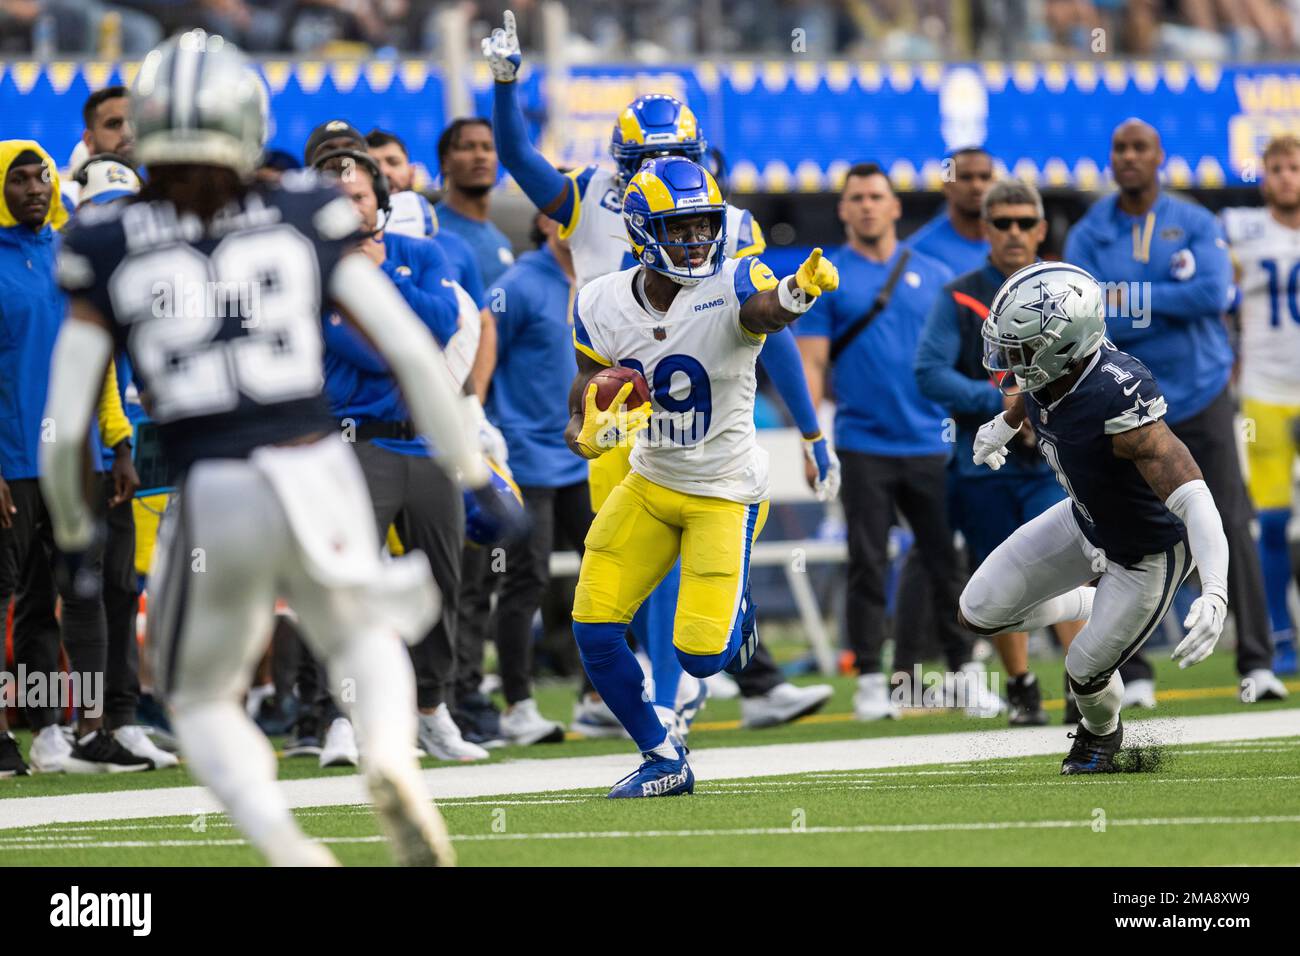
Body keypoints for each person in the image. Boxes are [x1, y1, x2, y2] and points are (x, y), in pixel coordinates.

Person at [44, 31, 520, 865]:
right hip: (319, 464)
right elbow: (411, 353)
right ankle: (388, 760)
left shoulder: (106, 236)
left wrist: (74, 534)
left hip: (216, 486)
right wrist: (476, 476)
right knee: (367, 637)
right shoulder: (303, 209)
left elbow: (65, 412)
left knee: (197, 700)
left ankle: (290, 849)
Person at [485, 9, 836, 735]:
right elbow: (518, 159)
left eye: (676, 154)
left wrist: (809, 427)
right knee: (613, 572)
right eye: (646, 160)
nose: (661, 173)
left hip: (714, 418)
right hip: (628, 413)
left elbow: (765, 325)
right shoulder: (591, 203)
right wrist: (504, 84)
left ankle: (682, 691)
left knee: (691, 572)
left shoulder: (726, 222)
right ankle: (623, 698)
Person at [563, 156, 839, 797]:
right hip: (650, 480)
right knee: (594, 628)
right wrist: (589, 428)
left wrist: (798, 293)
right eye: (679, 228)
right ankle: (663, 759)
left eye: (703, 226)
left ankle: (738, 622)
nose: (695, 240)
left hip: (723, 493)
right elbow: (583, 390)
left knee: (701, 657)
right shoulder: (600, 300)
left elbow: (764, 312)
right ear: (640, 231)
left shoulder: (735, 277)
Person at [964, 261, 1231, 773]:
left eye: (1020, 350)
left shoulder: (1117, 397)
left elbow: (1197, 498)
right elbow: (1035, 390)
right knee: (978, 612)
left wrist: (1215, 592)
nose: (1009, 363)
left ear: (1062, 345)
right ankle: (1088, 601)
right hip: (1084, 519)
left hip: (1145, 554)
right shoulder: (1052, 370)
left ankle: (1101, 738)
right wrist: (1004, 422)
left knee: (1083, 670)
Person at [1065, 118, 1285, 705]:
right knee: (1111, 531)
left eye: (1140, 148)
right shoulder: (1090, 231)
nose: (1129, 157)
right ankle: (1130, 673)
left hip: (1200, 391)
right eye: (1120, 148)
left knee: (1232, 520)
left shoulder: (1195, 220)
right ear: (1111, 159)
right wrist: (1163, 298)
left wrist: (1127, 297)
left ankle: (1257, 662)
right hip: (1124, 404)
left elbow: (1213, 296)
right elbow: (1080, 311)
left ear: (1160, 156)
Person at [312, 146, 498, 763]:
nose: (349, 206)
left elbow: (442, 324)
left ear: (380, 203)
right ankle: (346, 715)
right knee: (349, 583)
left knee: (441, 580)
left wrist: (379, 282)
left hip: (425, 439)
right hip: (354, 442)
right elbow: (372, 350)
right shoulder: (314, 269)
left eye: (359, 196)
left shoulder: (421, 253)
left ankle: (430, 709)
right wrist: (395, 323)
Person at [797, 162, 996, 722]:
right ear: (843, 209)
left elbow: (963, 360)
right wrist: (812, 441)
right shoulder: (826, 277)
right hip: (863, 442)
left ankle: (964, 672)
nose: (865, 205)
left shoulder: (933, 274)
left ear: (893, 207)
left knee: (945, 563)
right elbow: (811, 365)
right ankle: (867, 679)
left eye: (875, 196)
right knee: (866, 561)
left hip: (932, 441)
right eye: (855, 197)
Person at [0, 139, 150, 776]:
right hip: (11, 460)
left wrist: (118, 443)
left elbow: (102, 361)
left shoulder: (71, 254)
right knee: (11, 602)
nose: (36, 188)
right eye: (19, 180)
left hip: (78, 458)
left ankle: (81, 732)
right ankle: (15, 733)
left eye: (43, 177)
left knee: (79, 598)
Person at [915, 178, 1087, 725]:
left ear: (1040, 228)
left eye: (1023, 222)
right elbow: (929, 372)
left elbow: (1092, 359)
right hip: (983, 463)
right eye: (1002, 222)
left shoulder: (1067, 291)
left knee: (1067, 567)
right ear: (984, 228)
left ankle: (1083, 676)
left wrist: (1051, 410)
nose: (1014, 232)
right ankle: (1021, 684)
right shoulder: (961, 293)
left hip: (1052, 461)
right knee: (1002, 574)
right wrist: (1004, 403)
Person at [461, 209, 586, 746]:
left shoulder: (601, 279)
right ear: (545, 221)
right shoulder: (517, 284)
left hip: (583, 454)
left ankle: (600, 696)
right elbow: (484, 343)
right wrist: (480, 422)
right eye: (568, 212)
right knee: (525, 581)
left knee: (615, 569)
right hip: (526, 456)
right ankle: (518, 703)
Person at [1220, 133, 1300, 680]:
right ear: (1263, 175)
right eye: (1276, 168)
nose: (1286, 177)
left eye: (1294, 167)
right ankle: (1280, 636)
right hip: (1263, 397)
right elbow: (1215, 297)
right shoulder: (1240, 232)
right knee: (1270, 522)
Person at [433, 117, 515, 289]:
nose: (480, 156)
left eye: (488, 147)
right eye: (468, 147)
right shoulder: (432, 231)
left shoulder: (501, 240)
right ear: (445, 161)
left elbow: (500, 308)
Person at [905, 146, 995, 276]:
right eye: (966, 177)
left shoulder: (1013, 238)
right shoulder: (918, 251)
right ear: (946, 186)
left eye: (984, 177)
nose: (977, 186)